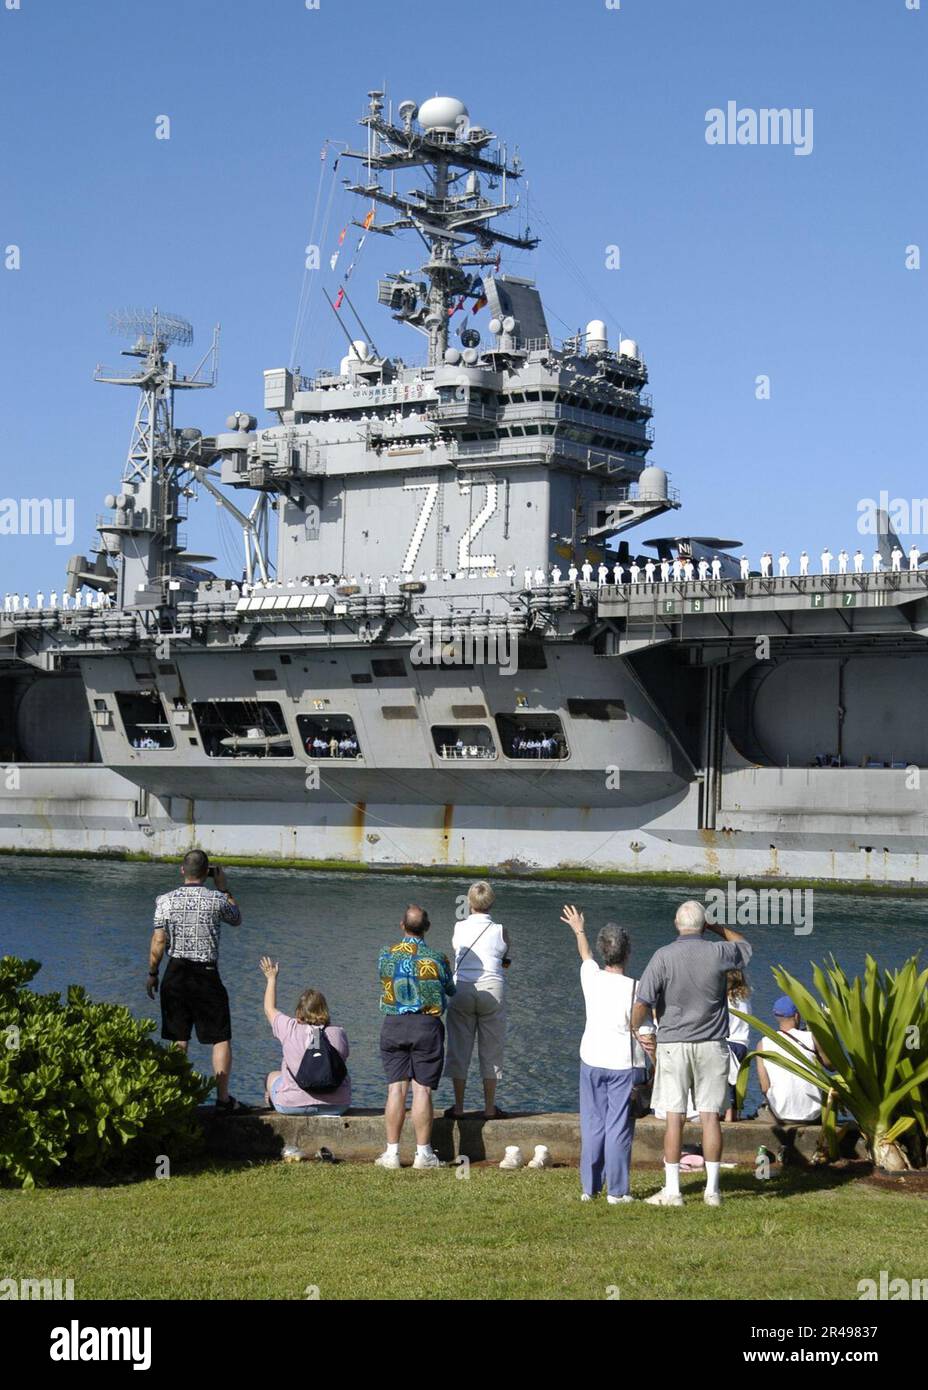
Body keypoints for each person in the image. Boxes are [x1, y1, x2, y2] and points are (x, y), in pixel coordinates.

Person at [632, 900, 752, 1207]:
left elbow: (643, 1000)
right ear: (702, 925)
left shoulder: (663, 956)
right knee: (711, 1117)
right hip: (712, 1044)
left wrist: (632, 1025)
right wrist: (714, 927)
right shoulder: (718, 952)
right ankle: (712, 1190)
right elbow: (745, 946)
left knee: (675, 1118)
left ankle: (673, 1191)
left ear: (676, 923)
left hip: (673, 1043)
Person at [146, 848, 246, 1112]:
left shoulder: (164, 901)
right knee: (220, 1038)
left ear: (182, 870)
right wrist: (224, 889)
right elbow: (236, 919)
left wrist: (152, 973)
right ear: (207, 872)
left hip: (175, 973)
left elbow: (158, 941)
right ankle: (223, 1100)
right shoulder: (216, 899)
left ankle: (175, 1097)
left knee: (178, 1037)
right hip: (206, 974)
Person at [562, 906, 647, 1205]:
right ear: (628, 954)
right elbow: (645, 1031)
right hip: (623, 1065)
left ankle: (590, 1187)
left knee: (593, 1124)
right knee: (618, 1129)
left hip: (592, 1059)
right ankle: (617, 1190)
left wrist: (579, 929)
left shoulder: (592, 977)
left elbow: (585, 957)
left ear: (604, 952)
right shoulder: (637, 989)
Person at [376, 905, 455, 1169]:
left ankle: (391, 1153)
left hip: (394, 1025)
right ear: (428, 927)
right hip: (426, 1026)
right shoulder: (436, 958)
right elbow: (451, 990)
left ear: (402, 925)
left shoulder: (385, 955)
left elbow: (384, 980)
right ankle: (423, 1154)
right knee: (422, 1089)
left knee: (396, 1088)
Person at [444, 882, 511, 1119]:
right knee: (491, 1048)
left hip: (461, 987)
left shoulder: (459, 927)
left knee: (459, 1047)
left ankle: (459, 1107)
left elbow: (457, 951)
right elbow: (504, 956)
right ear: (491, 903)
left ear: (469, 903)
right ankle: (490, 1108)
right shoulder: (501, 929)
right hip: (492, 989)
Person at [258, 957, 351, 1116]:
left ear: (299, 1013)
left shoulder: (289, 1028)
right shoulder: (338, 1033)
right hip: (337, 1105)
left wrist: (271, 978)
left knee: (271, 1077)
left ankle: (272, 1104)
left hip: (292, 1105)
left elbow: (269, 1008)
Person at [756, 996, 827, 1124]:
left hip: (781, 1113)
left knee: (760, 1111)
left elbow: (764, 1087)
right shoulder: (812, 1037)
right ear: (797, 1016)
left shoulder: (763, 1044)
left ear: (776, 1017)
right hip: (813, 1114)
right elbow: (830, 1065)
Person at [724, 968, 752, 1122]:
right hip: (742, 1044)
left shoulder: (724, 1000)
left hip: (728, 1043)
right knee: (737, 1081)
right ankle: (735, 1114)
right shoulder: (745, 999)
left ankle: (727, 1115)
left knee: (725, 1080)